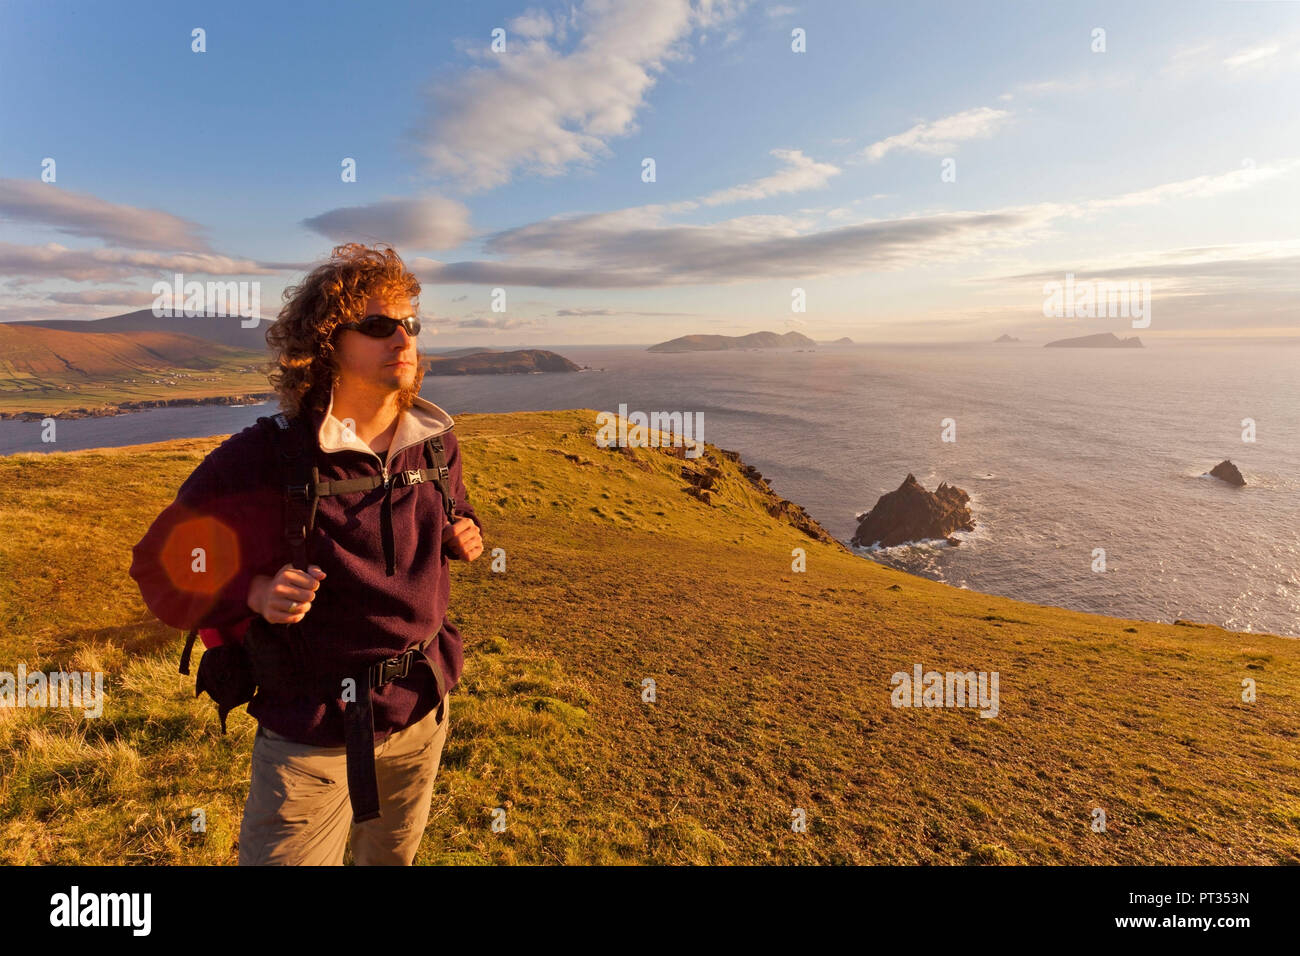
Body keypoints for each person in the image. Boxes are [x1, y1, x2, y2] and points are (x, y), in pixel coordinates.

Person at [129, 242, 484, 865]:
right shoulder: (264, 459)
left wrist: (467, 533)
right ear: (325, 344)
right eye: (378, 326)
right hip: (313, 734)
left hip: (423, 710)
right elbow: (160, 565)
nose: (403, 338)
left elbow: (455, 511)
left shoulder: (435, 444)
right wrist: (254, 593)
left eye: (410, 324)